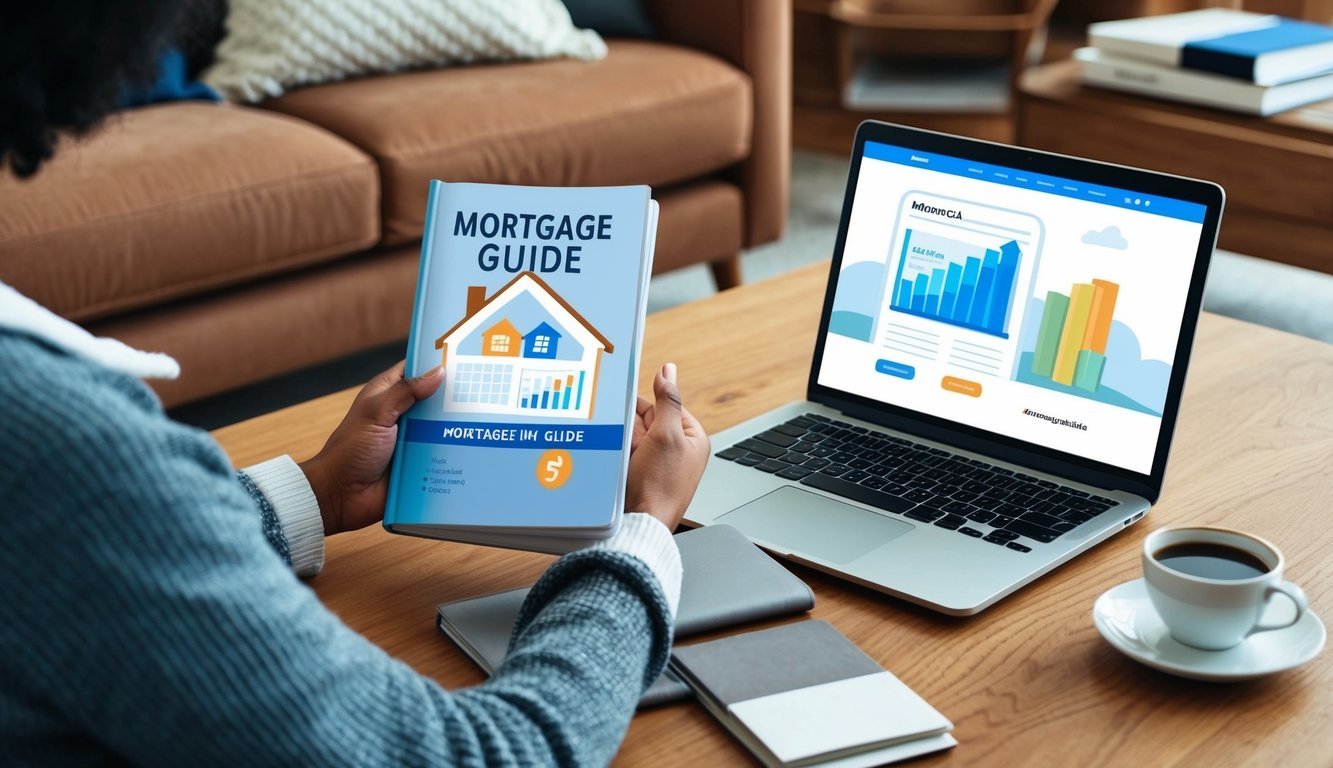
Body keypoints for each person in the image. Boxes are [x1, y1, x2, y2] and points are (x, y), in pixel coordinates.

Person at [0, 4, 712, 763]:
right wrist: (643, 528)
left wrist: (311, 493)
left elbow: (83, 565)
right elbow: (485, 754)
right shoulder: (68, 455)